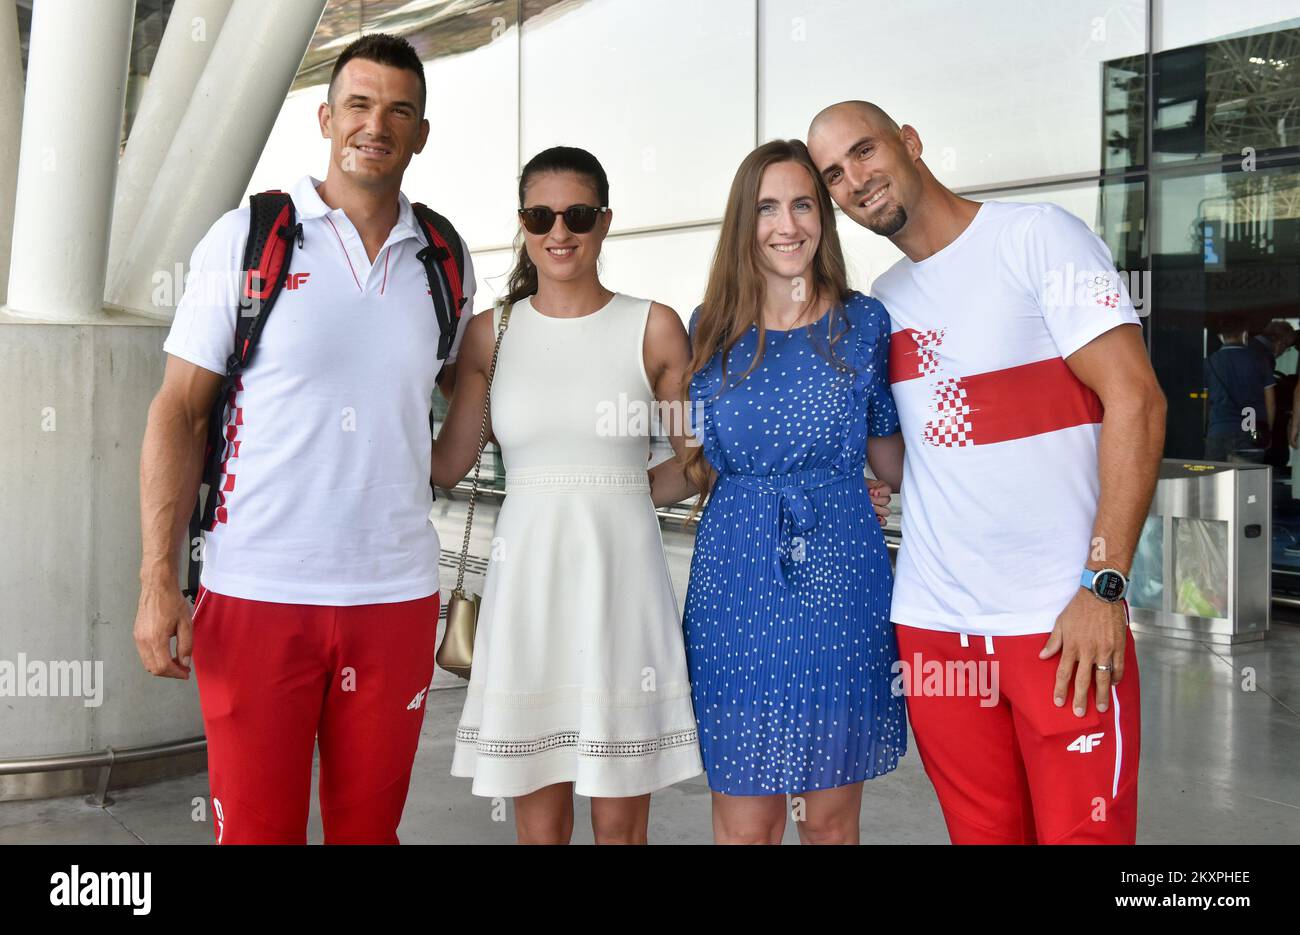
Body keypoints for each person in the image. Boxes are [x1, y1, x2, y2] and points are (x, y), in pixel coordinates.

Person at [132, 34, 474, 844]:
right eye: (358, 104)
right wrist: (156, 579)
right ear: (326, 117)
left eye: (399, 110)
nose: (375, 124)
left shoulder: (445, 258)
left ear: (422, 132)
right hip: (257, 593)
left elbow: (466, 401)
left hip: (394, 600)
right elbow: (177, 411)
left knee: (369, 834)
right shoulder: (249, 238)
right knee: (256, 833)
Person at [808, 100, 1166, 844]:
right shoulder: (886, 303)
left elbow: (1137, 398)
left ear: (910, 142)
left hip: (1059, 618)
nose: (857, 180)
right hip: (936, 628)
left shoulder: (1039, 239)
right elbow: (919, 458)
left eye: (866, 152)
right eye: (834, 175)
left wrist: (1104, 584)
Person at [434, 146, 703, 844]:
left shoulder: (655, 325)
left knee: (620, 827)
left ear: (605, 220)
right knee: (540, 826)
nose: (559, 230)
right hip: (528, 592)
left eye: (577, 214)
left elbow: (696, 463)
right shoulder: (492, 333)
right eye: (540, 214)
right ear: (523, 223)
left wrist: (620, 491)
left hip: (622, 587)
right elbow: (448, 463)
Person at [651, 139, 906, 845]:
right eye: (766, 207)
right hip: (736, 578)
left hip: (842, 577)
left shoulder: (866, 326)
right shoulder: (708, 329)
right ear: (744, 221)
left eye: (802, 204)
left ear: (822, 217)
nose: (786, 224)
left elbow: (893, 459)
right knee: (746, 819)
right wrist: (598, 492)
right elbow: (695, 466)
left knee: (827, 819)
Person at [1205, 315, 1274, 462]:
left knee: (1213, 481)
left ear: (1220, 337)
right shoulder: (1260, 360)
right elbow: (1270, 401)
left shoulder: (1209, 363)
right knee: (1248, 481)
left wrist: (1207, 427)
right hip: (1250, 431)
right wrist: (1267, 430)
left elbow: (1205, 402)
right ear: (1245, 335)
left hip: (1218, 430)